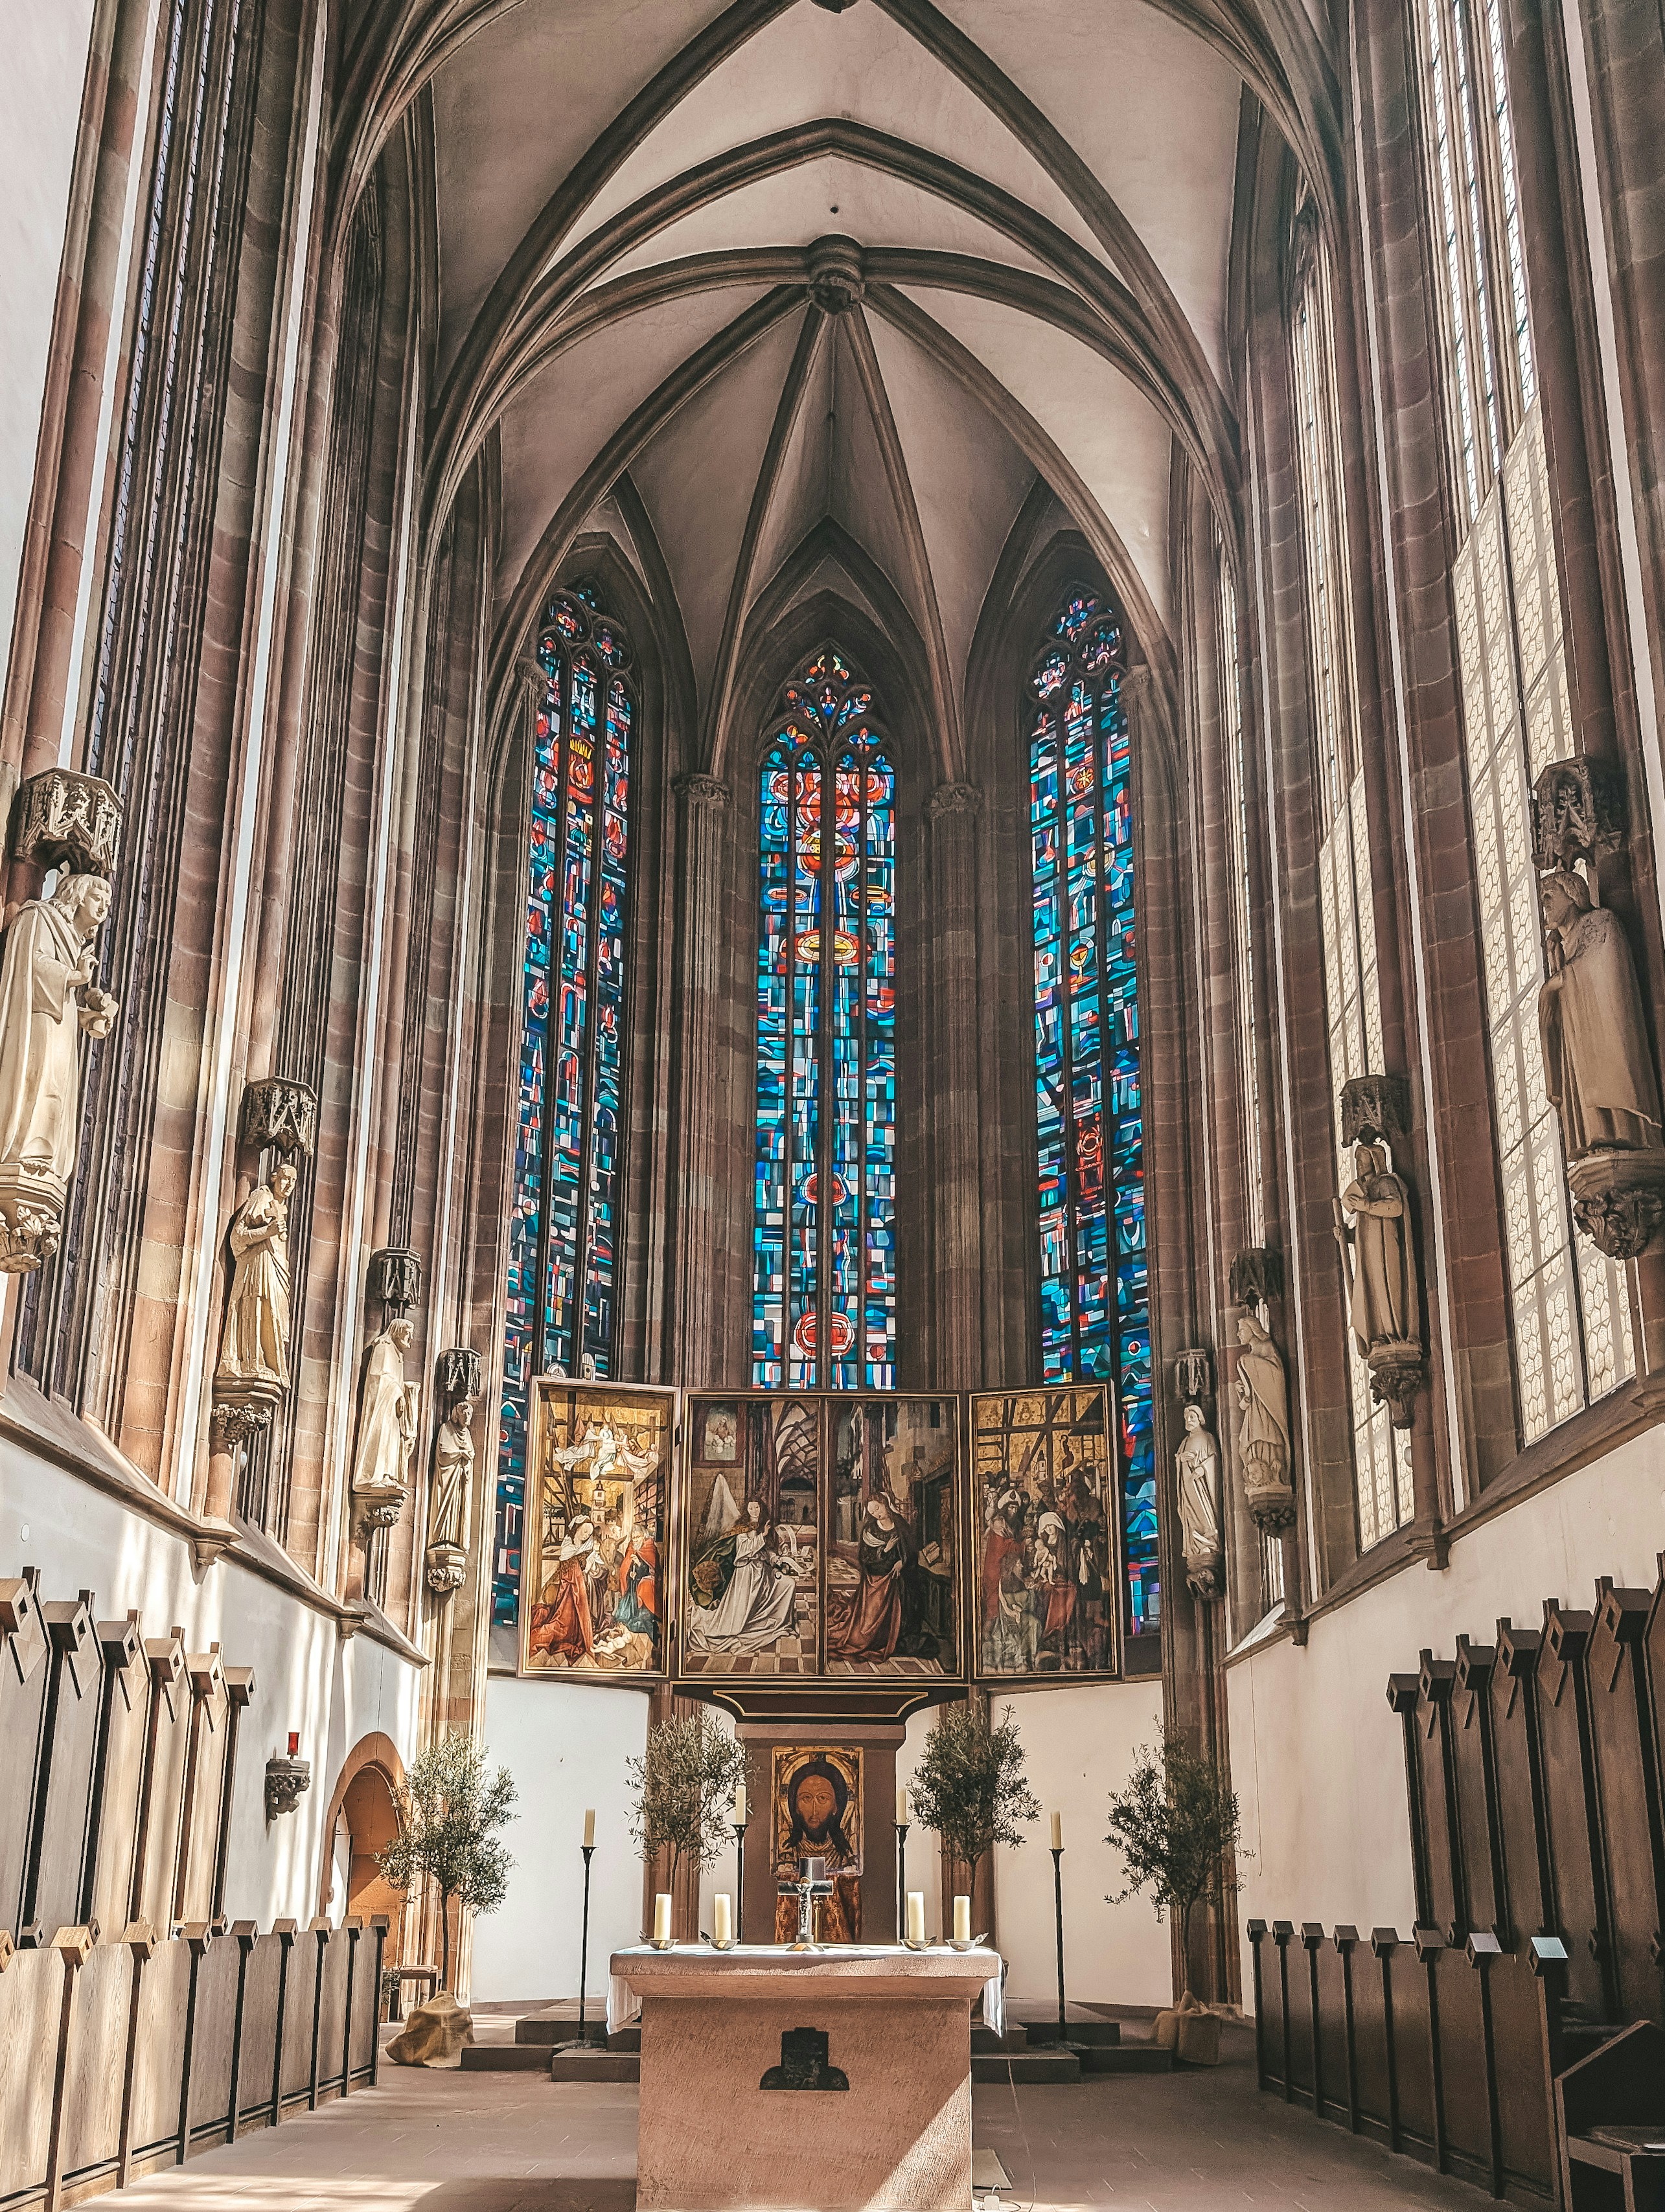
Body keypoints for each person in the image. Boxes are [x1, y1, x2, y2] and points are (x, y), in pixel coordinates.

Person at [0, 872, 119, 1218]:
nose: (104, 908)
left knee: (56, 1089)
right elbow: (31, 966)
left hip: (59, 1027)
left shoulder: (76, 943)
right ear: (77, 896)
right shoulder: (38, 916)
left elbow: (62, 999)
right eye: (98, 898)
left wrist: (86, 1015)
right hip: (35, 1025)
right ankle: (23, 1151)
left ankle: (43, 1157)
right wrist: (74, 977)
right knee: (38, 1080)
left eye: (108, 903)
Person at [1538, 868, 1662, 1156]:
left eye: (1549, 895)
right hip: (1580, 1040)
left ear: (1572, 896)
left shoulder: (1601, 921)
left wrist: (1558, 981)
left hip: (1604, 1033)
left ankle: (1625, 1133)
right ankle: (1596, 1136)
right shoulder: (1561, 945)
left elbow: (1604, 966)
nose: (1544, 904)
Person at [214, 1161, 297, 1392]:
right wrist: (267, 1231)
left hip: (275, 1267)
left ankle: (268, 1364)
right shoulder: (261, 1197)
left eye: (293, 1181)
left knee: (276, 1314)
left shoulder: (281, 1207)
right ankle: (251, 1362)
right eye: (285, 1178)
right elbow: (238, 1237)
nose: (289, 1185)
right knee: (257, 1306)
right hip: (257, 1265)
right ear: (274, 1177)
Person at [687, 1496, 798, 1654]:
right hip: (747, 1574)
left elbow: (766, 1551)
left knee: (789, 1584)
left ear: (761, 1508)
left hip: (763, 1572)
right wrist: (762, 1536)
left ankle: (780, 1618)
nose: (754, 1511)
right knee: (740, 1614)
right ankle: (749, 1624)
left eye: (757, 1507)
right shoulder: (743, 1528)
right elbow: (744, 1551)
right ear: (747, 1510)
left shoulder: (763, 1525)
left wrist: (776, 1559)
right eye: (751, 1508)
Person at [772, 1757, 860, 1943]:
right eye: (806, 1798)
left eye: (823, 1799)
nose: (814, 1810)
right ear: (795, 1806)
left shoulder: (846, 1858)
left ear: (837, 1806)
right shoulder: (788, 1855)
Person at [826, 1495, 912, 1659]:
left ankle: (888, 1636)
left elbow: (910, 1549)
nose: (876, 1514)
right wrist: (885, 1551)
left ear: (885, 1504)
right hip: (875, 1579)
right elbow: (865, 1558)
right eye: (872, 1512)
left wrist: (902, 1562)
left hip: (895, 1580)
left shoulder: (900, 1524)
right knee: (866, 1624)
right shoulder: (870, 1530)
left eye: (878, 1508)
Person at [528, 1519, 597, 1665]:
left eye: (588, 1534)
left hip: (579, 1586)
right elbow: (566, 1564)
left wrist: (589, 1569)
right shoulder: (568, 1545)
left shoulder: (587, 1547)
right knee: (563, 1618)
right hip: (568, 1588)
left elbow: (588, 1568)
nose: (586, 1535)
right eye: (584, 1531)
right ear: (577, 1528)